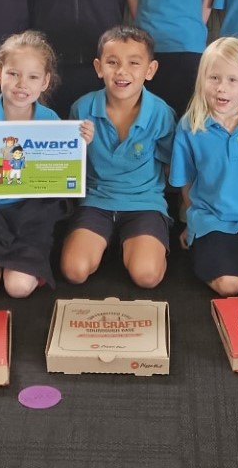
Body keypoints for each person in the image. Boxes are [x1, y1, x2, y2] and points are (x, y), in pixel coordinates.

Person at [0, 31, 91, 298]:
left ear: (45, 82)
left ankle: (25, 265)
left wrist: (81, 144)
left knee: (18, 288)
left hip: (32, 216)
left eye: (32, 77)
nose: (22, 84)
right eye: (13, 74)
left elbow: (62, 173)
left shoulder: (50, 119)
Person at [62, 25, 176, 289]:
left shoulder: (161, 113)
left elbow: (171, 166)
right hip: (97, 200)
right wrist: (79, 146)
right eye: (112, 62)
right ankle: (103, 241)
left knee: (146, 276)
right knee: (74, 271)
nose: (122, 71)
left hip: (144, 203)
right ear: (99, 67)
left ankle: (139, 244)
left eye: (134, 63)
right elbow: (66, 167)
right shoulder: (82, 108)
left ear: (150, 70)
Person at [170, 37, 238, 296]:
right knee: (230, 286)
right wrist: (193, 220)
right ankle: (207, 252)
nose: (222, 88)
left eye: (232, 80)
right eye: (214, 78)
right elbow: (185, 180)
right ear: (202, 80)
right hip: (212, 219)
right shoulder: (190, 126)